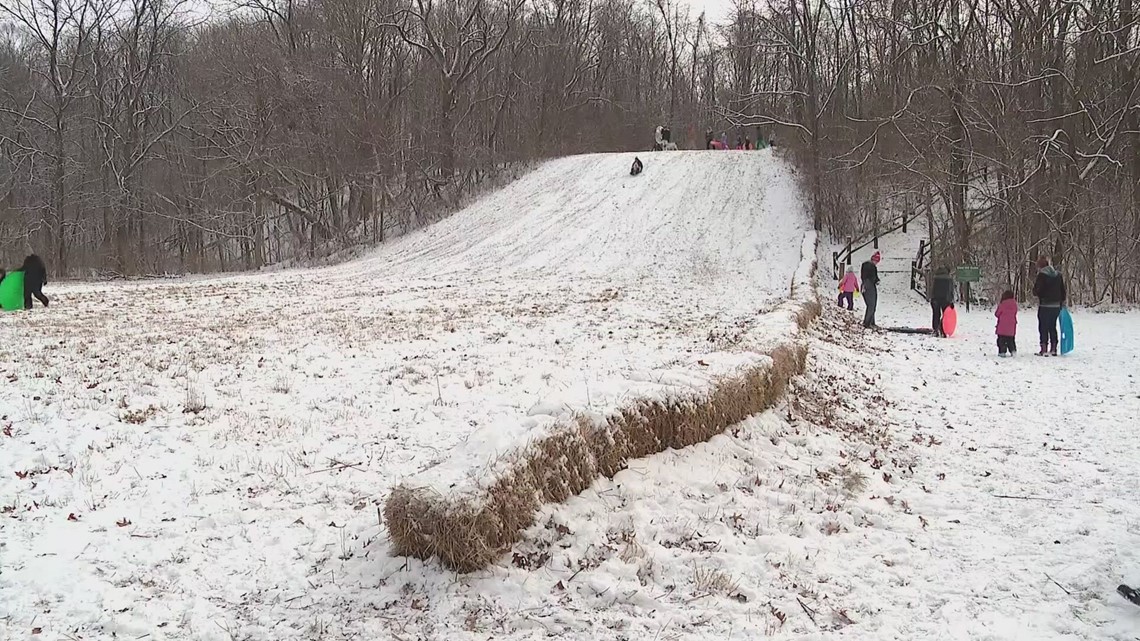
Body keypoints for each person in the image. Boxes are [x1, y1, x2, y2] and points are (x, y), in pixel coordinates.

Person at [1032, 256, 1066, 356]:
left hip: (1045, 305)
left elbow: (1038, 290)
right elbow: (1063, 290)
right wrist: (1061, 302)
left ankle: (1044, 348)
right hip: (1056, 306)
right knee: (1052, 326)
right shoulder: (1058, 275)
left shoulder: (1041, 275)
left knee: (1043, 326)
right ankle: (1054, 348)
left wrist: (1037, 293)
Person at [929, 266, 955, 337]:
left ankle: (935, 329)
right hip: (945, 299)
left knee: (936, 315)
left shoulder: (935, 277)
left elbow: (932, 288)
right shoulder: (949, 278)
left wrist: (932, 298)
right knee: (945, 315)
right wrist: (951, 301)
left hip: (935, 298)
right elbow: (950, 290)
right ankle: (943, 330)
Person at [860, 251, 881, 328]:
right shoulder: (872, 267)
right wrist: (877, 280)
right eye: (877, 261)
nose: (876, 263)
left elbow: (864, 276)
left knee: (870, 305)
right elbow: (873, 277)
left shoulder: (865, 265)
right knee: (872, 305)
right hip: (869, 286)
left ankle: (871, 322)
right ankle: (868, 323)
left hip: (864, 286)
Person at [995, 290, 1018, 357]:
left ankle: (1002, 351)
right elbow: (1015, 312)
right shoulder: (1014, 304)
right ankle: (1013, 350)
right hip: (1012, 325)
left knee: (1001, 340)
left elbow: (997, 313)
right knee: (1011, 339)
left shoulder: (1002, 304)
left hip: (1002, 325)